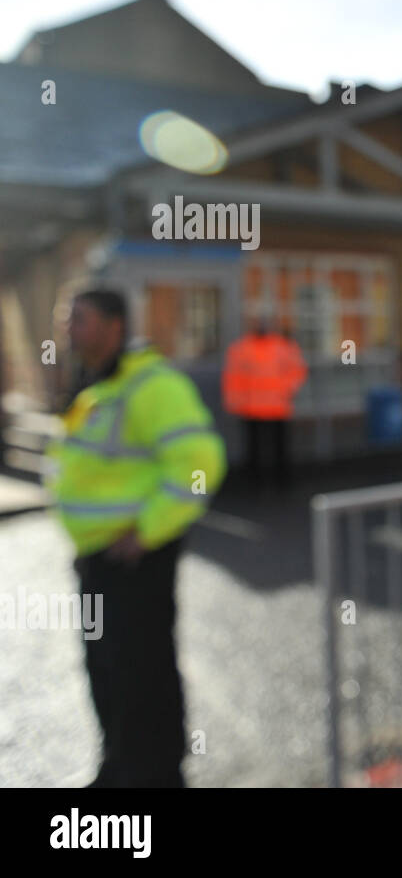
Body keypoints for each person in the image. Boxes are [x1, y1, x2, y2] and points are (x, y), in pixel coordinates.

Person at [47, 289, 226, 787]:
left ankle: (156, 774)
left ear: (114, 325)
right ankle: (120, 765)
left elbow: (200, 465)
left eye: (78, 319)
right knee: (105, 668)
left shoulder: (152, 385)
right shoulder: (95, 391)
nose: (68, 329)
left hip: (135, 562)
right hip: (96, 559)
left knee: (141, 670)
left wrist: (147, 533)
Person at [222, 320, 306, 486]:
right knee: (254, 448)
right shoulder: (242, 349)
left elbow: (297, 370)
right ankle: (257, 482)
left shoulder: (282, 347)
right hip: (253, 407)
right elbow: (233, 377)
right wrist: (234, 402)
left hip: (276, 406)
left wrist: (286, 389)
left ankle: (281, 481)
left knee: (279, 447)